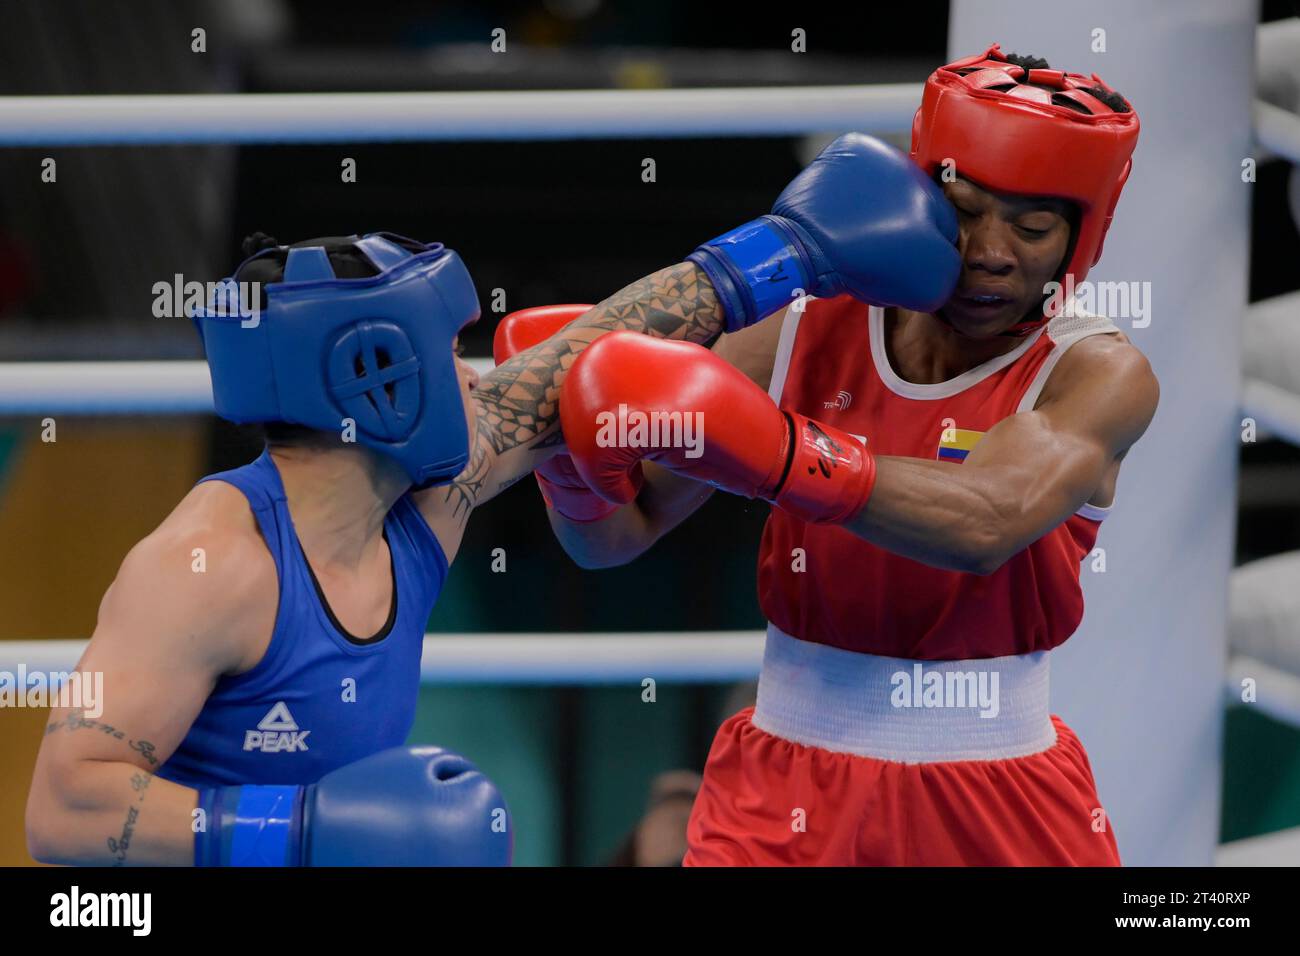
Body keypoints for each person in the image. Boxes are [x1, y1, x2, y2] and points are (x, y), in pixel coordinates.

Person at [24, 227, 828, 866]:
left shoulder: (420, 506)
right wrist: (303, 830)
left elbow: (592, 353)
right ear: (374, 377)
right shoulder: (207, 564)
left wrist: (784, 246)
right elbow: (65, 810)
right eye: (450, 353)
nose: (477, 378)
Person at [545, 44, 1156, 865]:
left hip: (997, 789)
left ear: (1082, 239)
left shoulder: (1094, 372)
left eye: (1032, 226)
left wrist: (777, 450)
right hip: (783, 778)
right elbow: (612, 539)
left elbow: (983, 521)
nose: (990, 250)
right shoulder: (801, 325)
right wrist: (570, 462)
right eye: (965, 207)